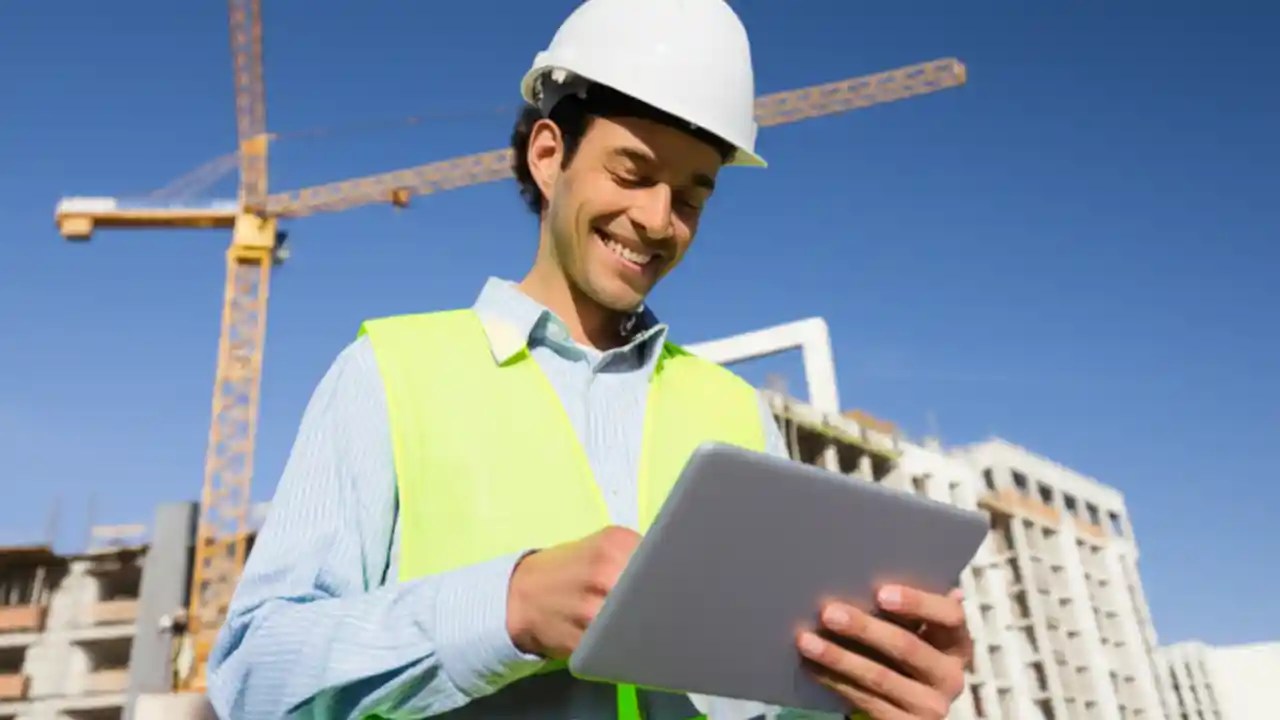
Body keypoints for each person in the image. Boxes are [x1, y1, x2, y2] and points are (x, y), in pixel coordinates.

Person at [206, 0, 973, 718]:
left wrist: (873, 694)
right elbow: (252, 673)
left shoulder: (736, 414)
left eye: (692, 197)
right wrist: (506, 608)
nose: (656, 219)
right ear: (548, 155)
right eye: (632, 173)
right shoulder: (389, 372)